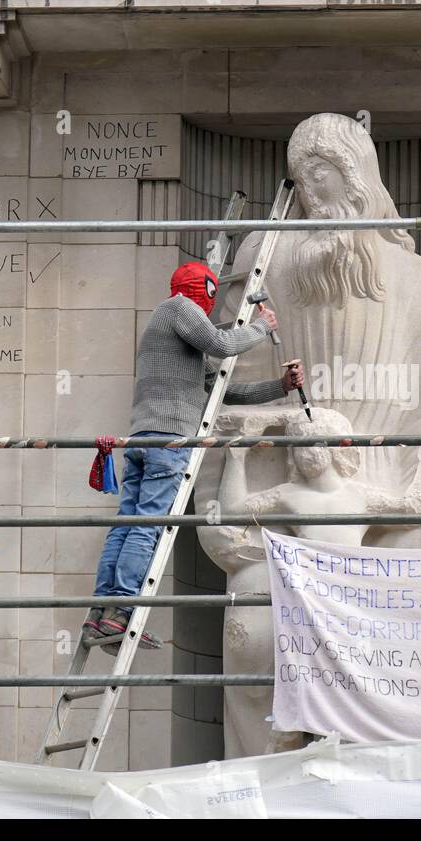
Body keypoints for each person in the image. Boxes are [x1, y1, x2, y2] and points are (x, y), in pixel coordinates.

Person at [84, 260, 304, 653]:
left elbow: (219, 392)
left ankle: (101, 614)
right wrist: (261, 327)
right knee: (149, 525)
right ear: (202, 290)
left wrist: (279, 386)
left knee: (129, 523)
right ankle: (120, 611)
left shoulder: (171, 324)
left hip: (146, 437)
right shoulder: (179, 308)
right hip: (169, 440)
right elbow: (222, 345)